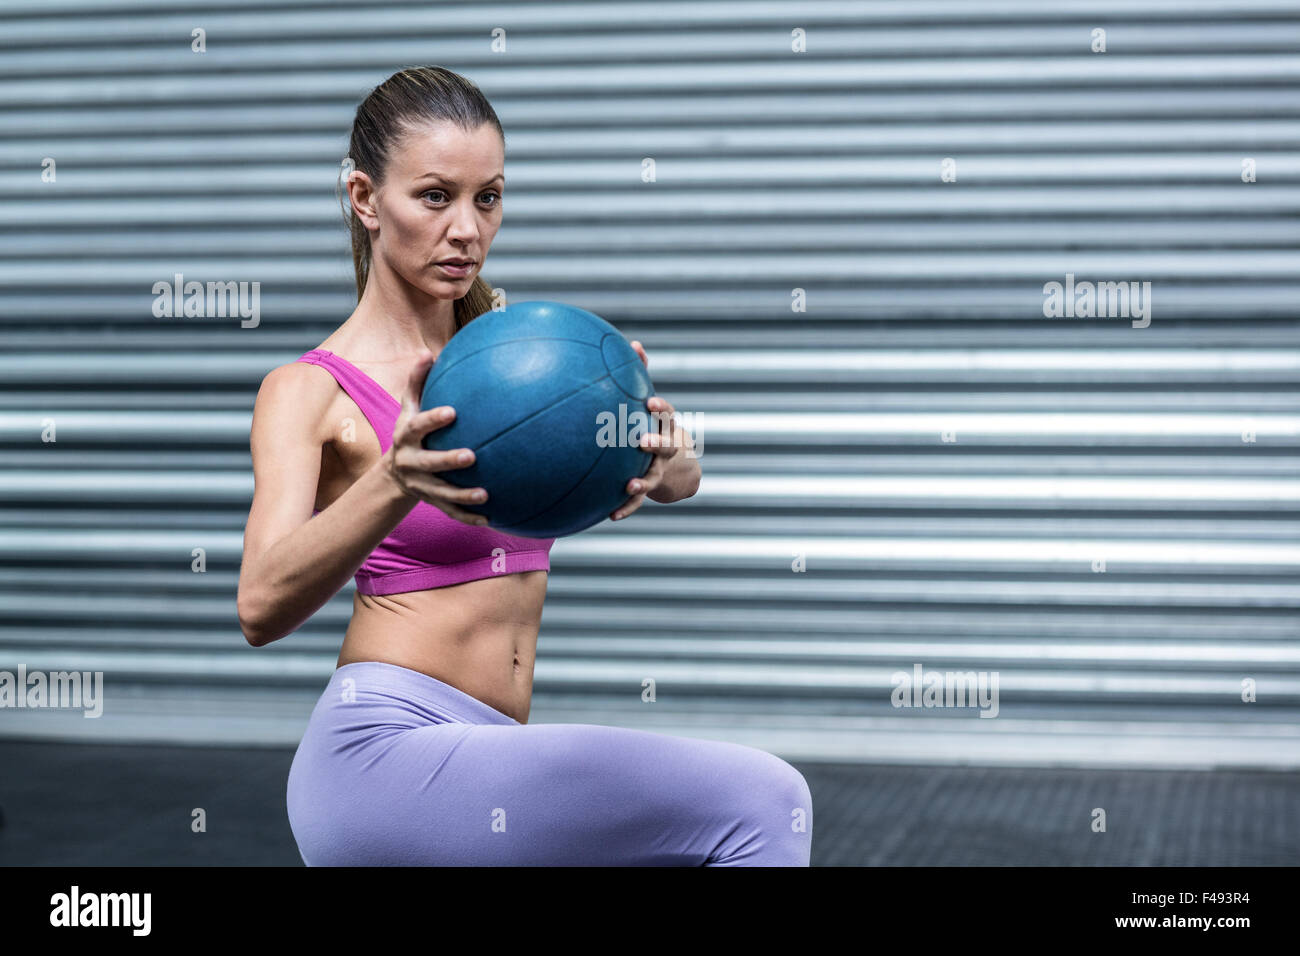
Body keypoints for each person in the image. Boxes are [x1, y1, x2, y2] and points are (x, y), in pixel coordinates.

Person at [237, 66, 812, 866]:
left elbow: (676, 472)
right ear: (367, 200)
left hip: (488, 754)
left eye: (489, 197)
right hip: (384, 753)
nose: (467, 229)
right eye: (434, 197)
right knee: (767, 803)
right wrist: (396, 480)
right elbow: (259, 605)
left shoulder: (517, 362)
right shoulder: (308, 390)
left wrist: (667, 461)